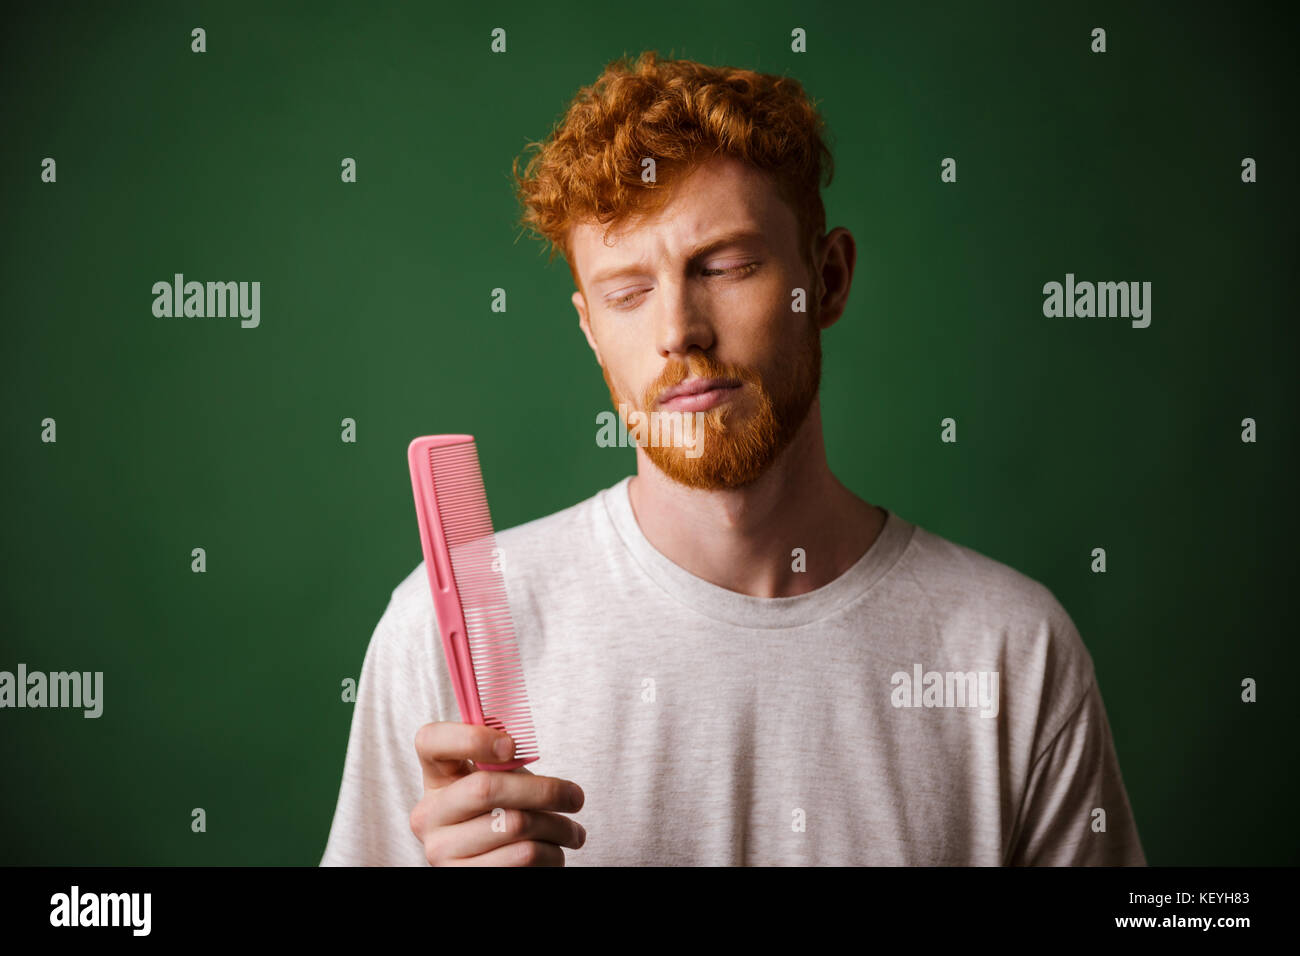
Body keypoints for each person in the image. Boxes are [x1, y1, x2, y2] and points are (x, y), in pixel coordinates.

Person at [320, 50, 1145, 866]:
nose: (679, 329)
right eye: (627, 292)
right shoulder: (440, 626)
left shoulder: (1013, 651)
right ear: (589, 332)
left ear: (827, 279)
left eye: (725, 266)